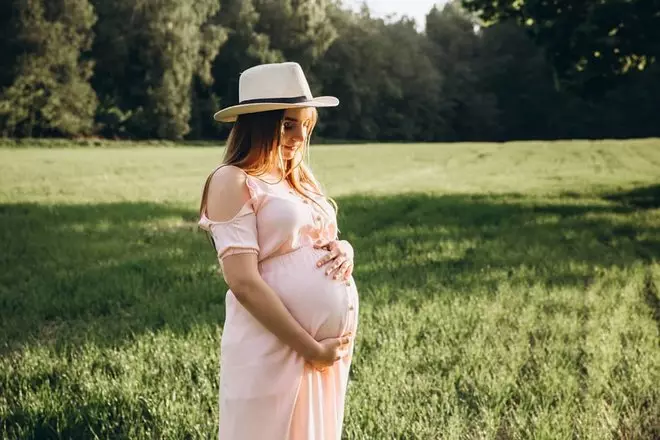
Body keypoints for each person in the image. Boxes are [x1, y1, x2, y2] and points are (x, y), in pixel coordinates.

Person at [198, 62, 359, 440]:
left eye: (306, 125)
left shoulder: (297, 179)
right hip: (274, 347)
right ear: (258, 123)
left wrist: (346, 249)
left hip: (321, 353)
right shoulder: (232, 180)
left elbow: (318, 240)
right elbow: (243, 282)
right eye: (288, 124)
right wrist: (311, 349)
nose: (299, 137)